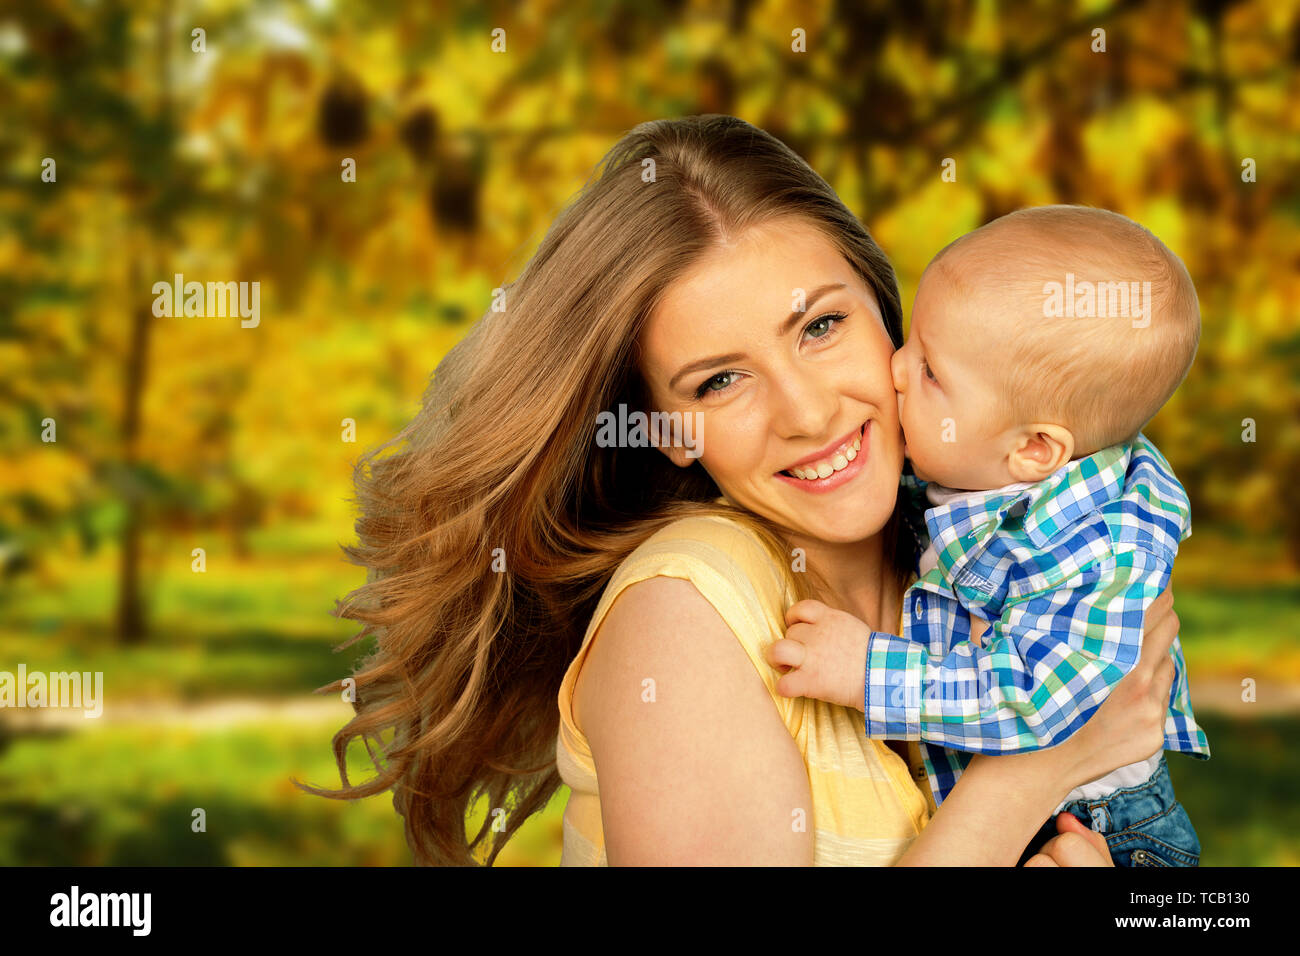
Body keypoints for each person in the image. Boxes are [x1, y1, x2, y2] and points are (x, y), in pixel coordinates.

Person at [302, 115, 1178, 867]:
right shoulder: (685, 615)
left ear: (887, 312)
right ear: (663, 430)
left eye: (821, 326)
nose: (806, 412)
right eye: (719, 381)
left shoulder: (978, 546)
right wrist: (1034, 772)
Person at [766, 205, 1210, 867]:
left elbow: (1026, 700)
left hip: (1099, 834)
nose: (894, 370)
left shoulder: (1088, 550)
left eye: (930, 372)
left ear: (1034, 448)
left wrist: (866, 672)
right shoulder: (996, 472)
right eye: (910, 342)